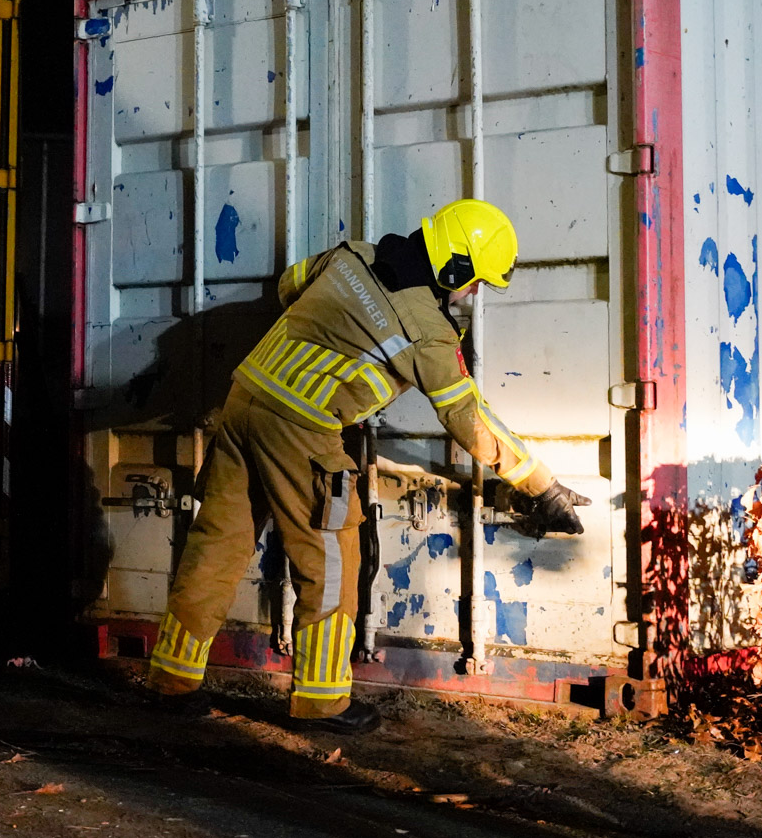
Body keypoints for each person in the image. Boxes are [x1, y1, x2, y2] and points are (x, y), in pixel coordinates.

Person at [145, 200, 593, 734]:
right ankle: (321, 702)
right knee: (331, 561)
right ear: (452, 267)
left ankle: (171, 681)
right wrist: (541, 485)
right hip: (303, 429)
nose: (472, 294)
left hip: (245, 399)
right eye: (474, 281)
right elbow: (467, 416)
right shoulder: (428, 332)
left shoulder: (353, 254)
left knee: (215, 544)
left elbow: (289, 287)